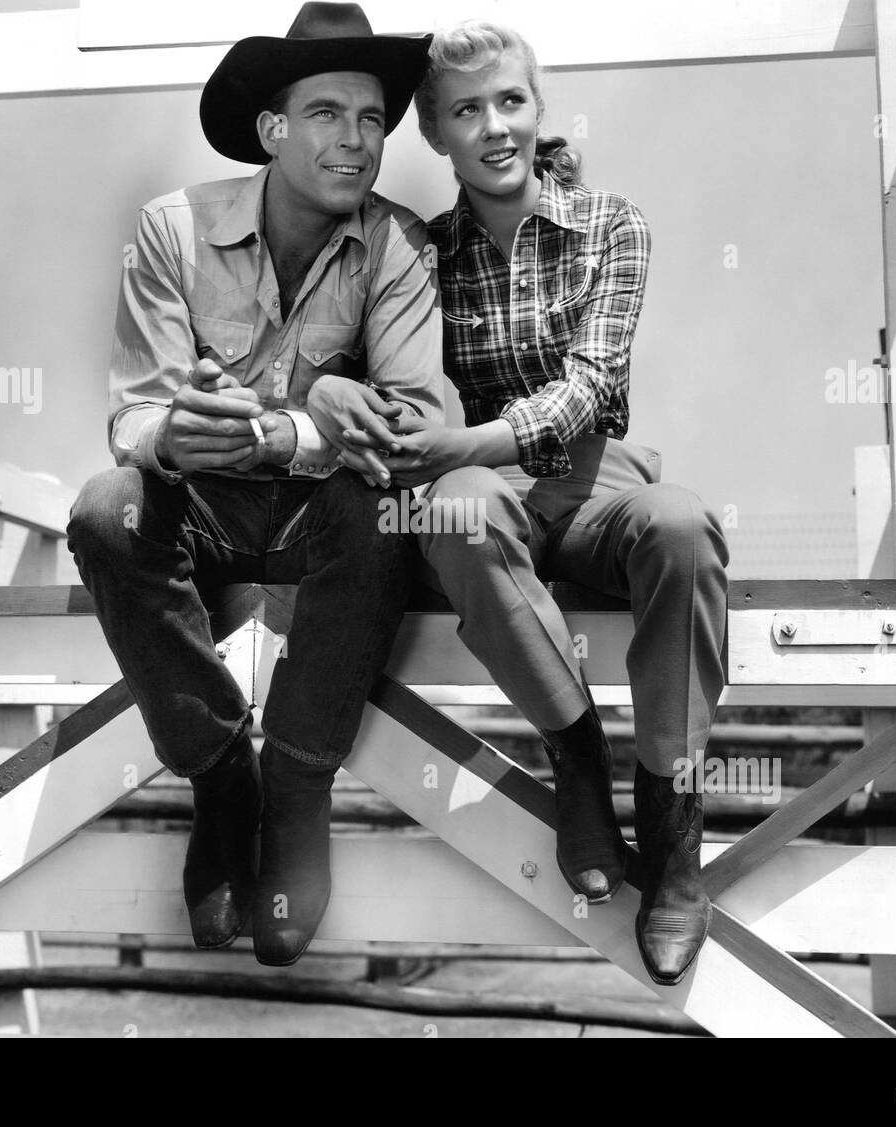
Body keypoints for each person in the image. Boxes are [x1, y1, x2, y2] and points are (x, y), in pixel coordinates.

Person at [344, 20, 729, 985]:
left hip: (597, 482)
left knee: (681, 523)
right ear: (435, 132)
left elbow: (590, 387)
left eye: (510, 101)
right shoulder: (419, 255)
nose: (494, 127)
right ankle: (580, 760)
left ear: (538, 106)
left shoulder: (614, 223)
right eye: (467, 110)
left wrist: (464, 440)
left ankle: (675, 830)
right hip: (490, 503)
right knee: (457, 508)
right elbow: (395, 391)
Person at [65, 2, 441, 968]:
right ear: (273, 130)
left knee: (384, 502)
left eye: (370, 118)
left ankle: (299, 782)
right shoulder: (171, 228)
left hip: (324, 522)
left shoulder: (400, 246)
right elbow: (133, 419)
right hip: (206, 516)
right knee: (104, 510)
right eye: (326, 113)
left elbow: (406, 424)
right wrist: (180, 439)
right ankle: (221, 770)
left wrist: (278, 432)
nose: (356, 141)